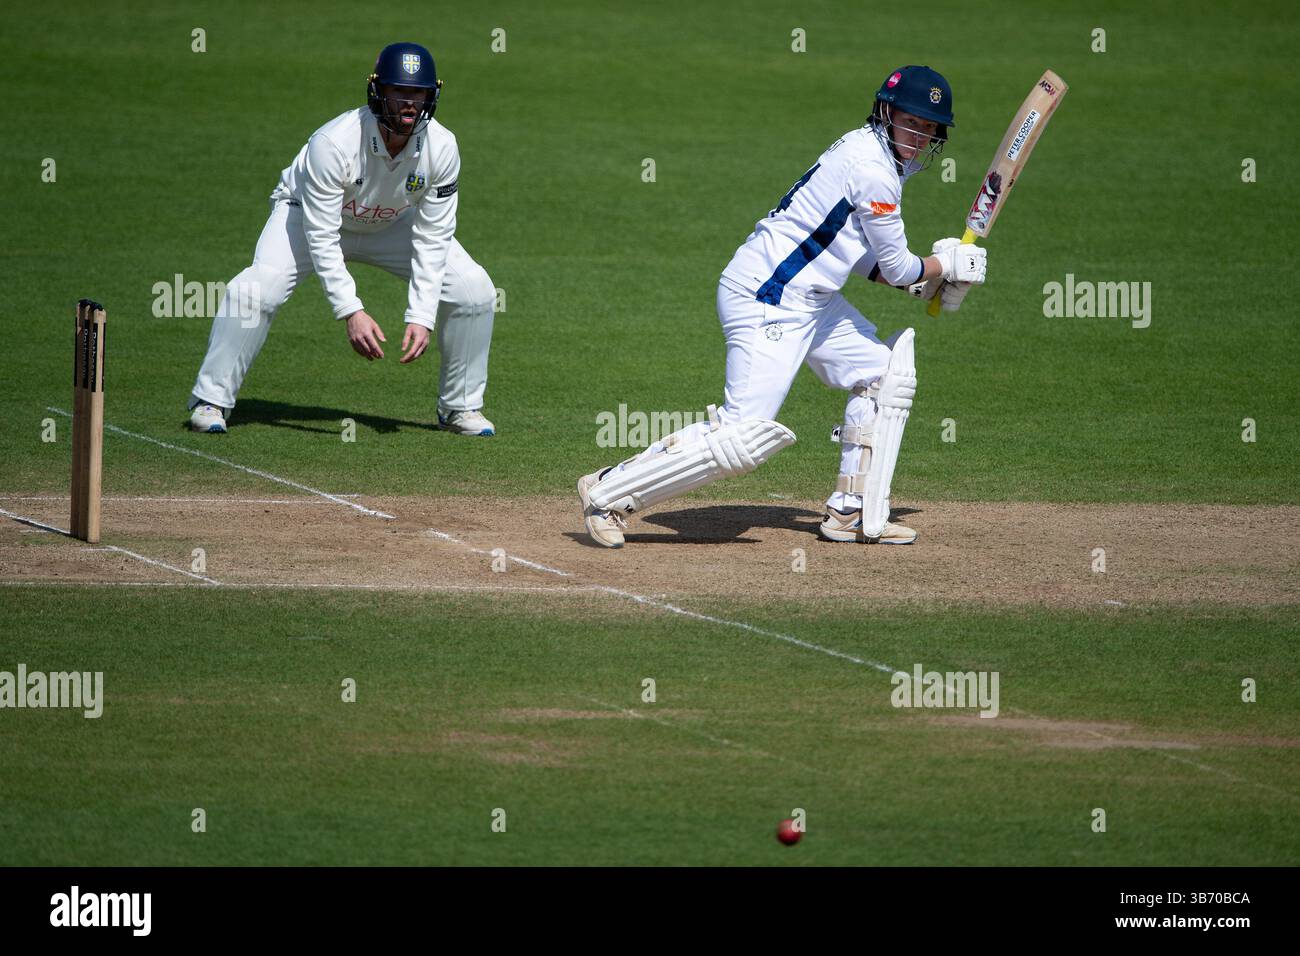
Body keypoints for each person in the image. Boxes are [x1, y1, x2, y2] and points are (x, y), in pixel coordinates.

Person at [576, 65, 987, 548]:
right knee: (743, 437)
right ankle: (609, 490)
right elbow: (899, 267)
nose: (919, 138)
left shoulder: (861, 147)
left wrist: (926, 280)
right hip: (769, 298)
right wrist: (945, 264)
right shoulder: (874, 171)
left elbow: (840, 244)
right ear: (886, 113)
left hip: (809, 299)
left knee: (882, 375)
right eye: (911, 123)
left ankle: (851, 511)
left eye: (929, 129)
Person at [187, 42, 497, 437]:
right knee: (256, 290)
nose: (408, 103)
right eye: (398, 91)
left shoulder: (443, 146)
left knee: (475, 290)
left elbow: (435, 235)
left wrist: (421, 315)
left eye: (417, 93)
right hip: (307, 217)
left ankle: (460, 408)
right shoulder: (333, 144)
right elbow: (320, 234)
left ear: (430, 96)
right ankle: (210, 399)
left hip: (391, 222)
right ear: (378, 91)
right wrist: (351, 311)